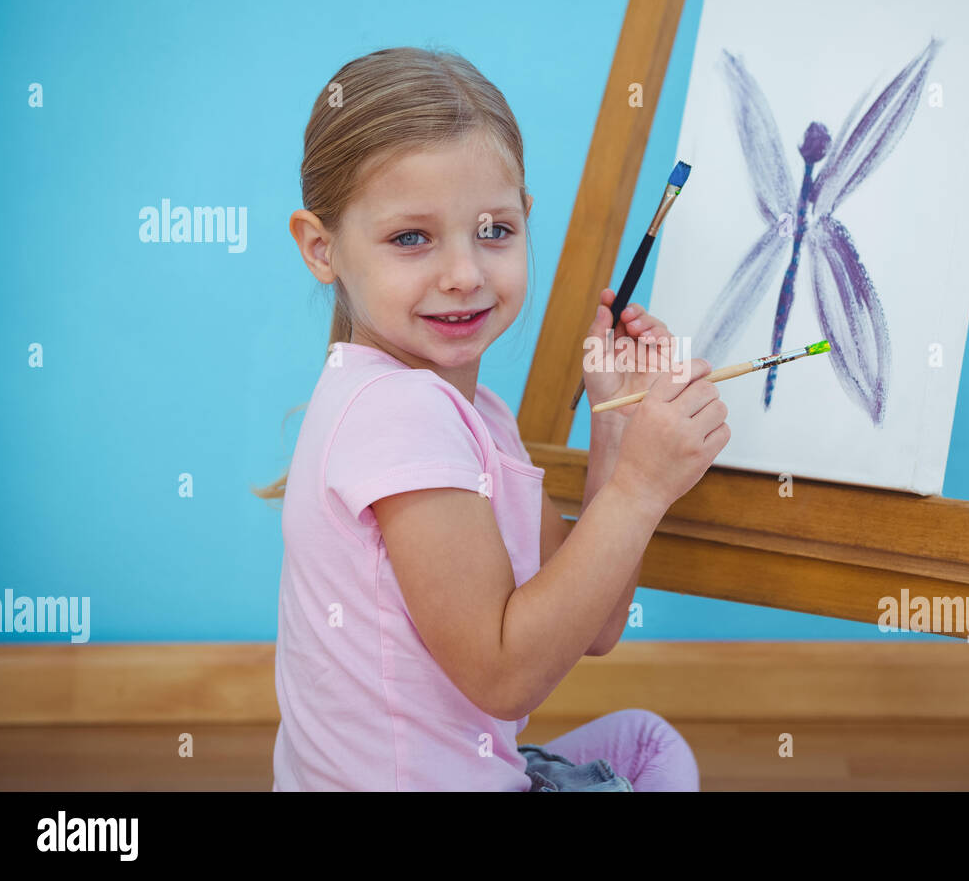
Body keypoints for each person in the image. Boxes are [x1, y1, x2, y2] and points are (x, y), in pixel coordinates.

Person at [253, 47, 730, 791]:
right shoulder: (398, 413)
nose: (466, 273)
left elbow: (594, 626)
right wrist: (642, 489)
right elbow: (506, 677)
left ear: (525, 220)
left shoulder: (474, 410)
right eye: (411, 238)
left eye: (494, 231)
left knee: (644, 743)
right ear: (322, 247)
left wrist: (613, 428)